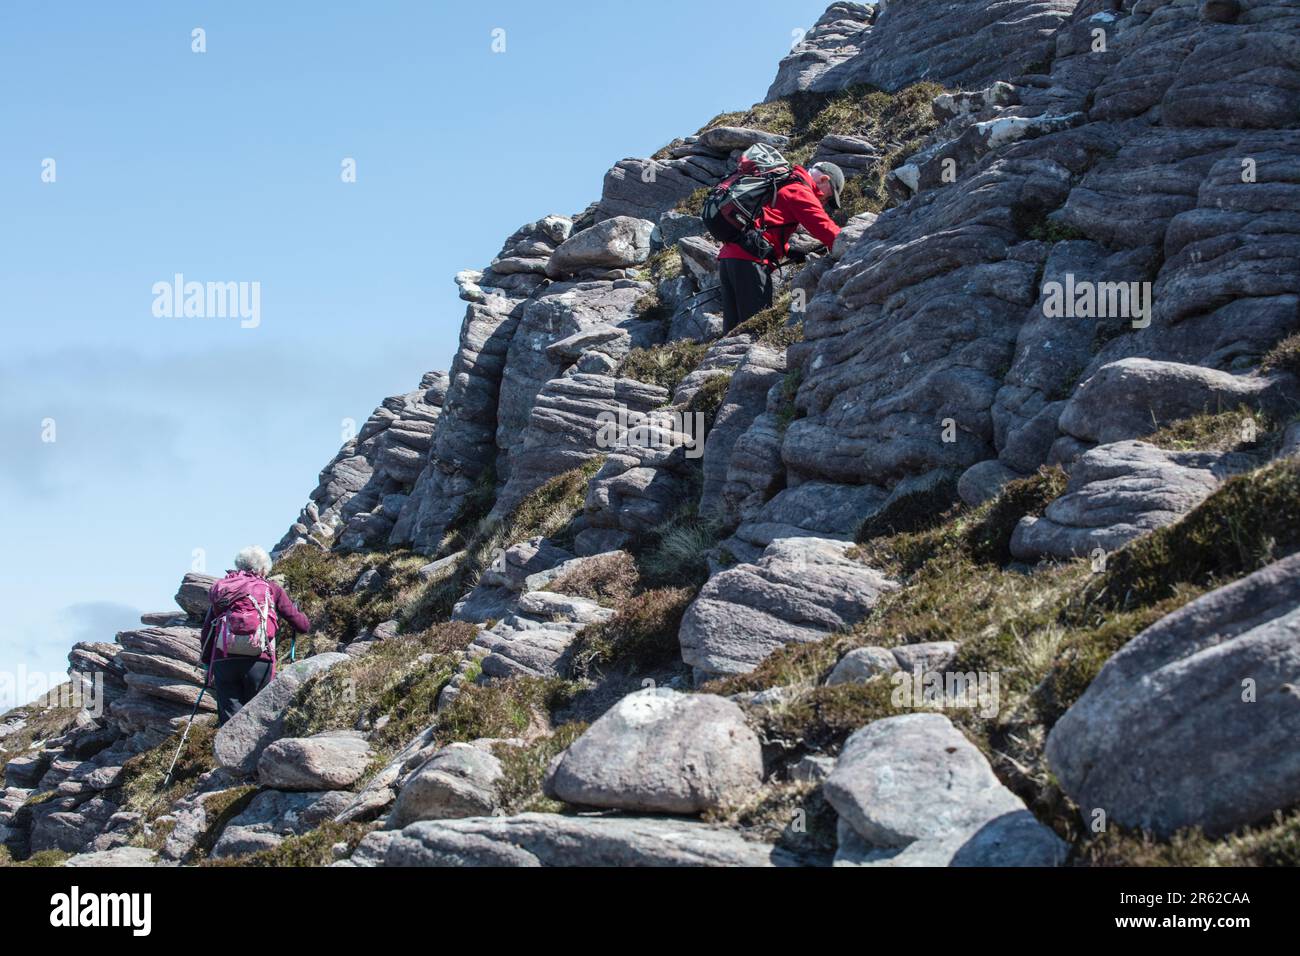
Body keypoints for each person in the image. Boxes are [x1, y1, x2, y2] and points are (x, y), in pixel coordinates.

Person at [717, 161, 845, 334]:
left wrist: (788, 250)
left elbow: (766, 222)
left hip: (729, 258)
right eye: (829, 197)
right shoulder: (799, 190)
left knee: (732, 330)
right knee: (754, 329)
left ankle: (723, 361)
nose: (825, 202)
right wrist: (852, 243)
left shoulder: (786, 181)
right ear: (823, 179)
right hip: (750, 261)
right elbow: (825, 229)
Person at [199, 546, 311, 725]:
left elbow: (208, 630)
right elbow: (302, 626)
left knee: (230, 721)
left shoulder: (226, 589)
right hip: (259, 660)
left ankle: (229, 751)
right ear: (264, 569)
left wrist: (207, 662)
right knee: (257, 719)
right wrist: (303, 618)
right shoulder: (271, 589)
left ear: (238, 565)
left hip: (224, 660)